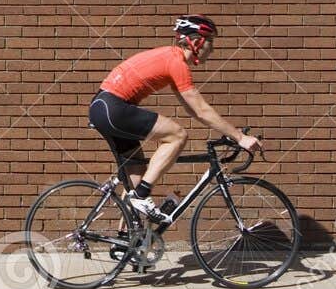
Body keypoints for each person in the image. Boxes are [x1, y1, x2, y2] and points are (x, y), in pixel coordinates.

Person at [88, 16, 262, 222]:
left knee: (136, 171)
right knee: (177, 135)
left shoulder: (169, 58)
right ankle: (143, 195)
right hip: (113, 108)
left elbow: (193, 110)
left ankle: (127, 241)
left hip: (103, 107)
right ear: (196, 42)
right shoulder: (176, 62)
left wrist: (229, 133)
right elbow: (201, 110)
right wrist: (239, 137)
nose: (212, 49)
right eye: (210, 42)